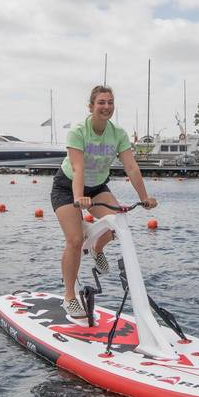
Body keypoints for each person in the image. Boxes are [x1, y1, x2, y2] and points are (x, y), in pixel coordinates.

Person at [53, 85, 157, 319]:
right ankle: (69, 296)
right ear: (91, 106)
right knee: (75, 239)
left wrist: (144, 198)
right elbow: (78, 168)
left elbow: (131, 167)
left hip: (98, 188)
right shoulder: (79, 131)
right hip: (67, 187)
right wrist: (79, 198)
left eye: (110, 102)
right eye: (101, 102)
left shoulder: (118, 134)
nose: (106, 106)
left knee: (117, 222)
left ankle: (98, 247)